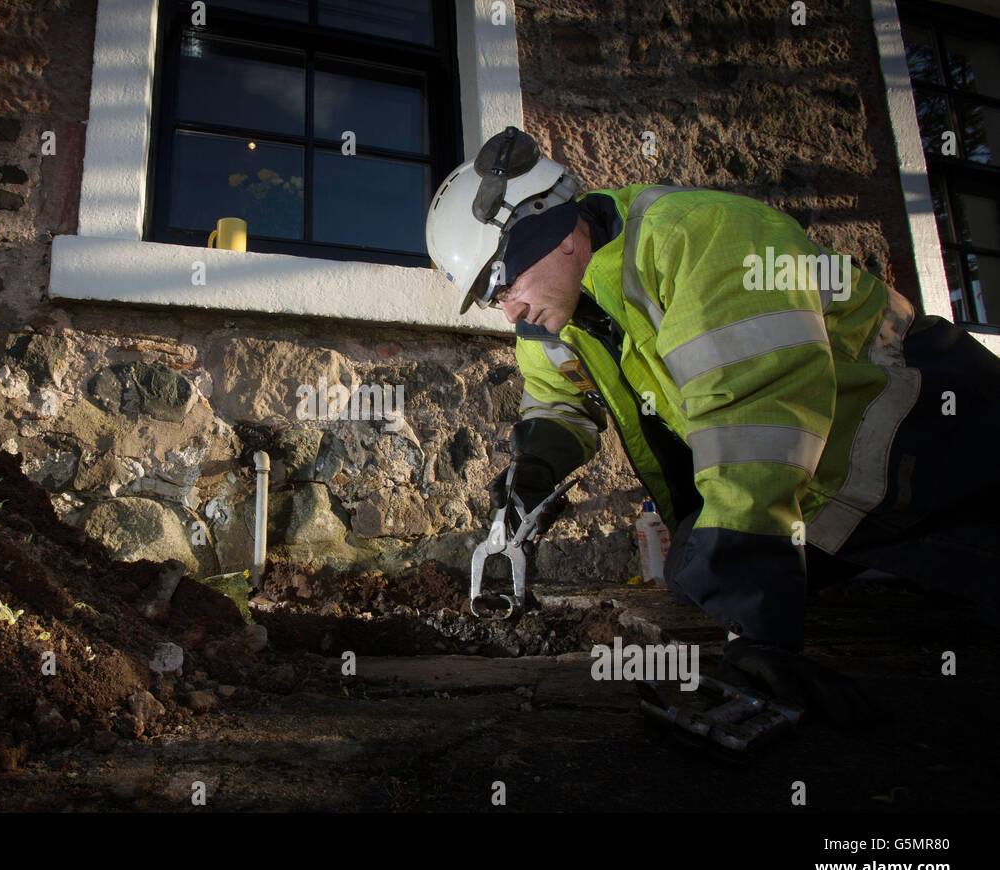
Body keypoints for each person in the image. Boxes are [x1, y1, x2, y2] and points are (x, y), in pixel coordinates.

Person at [426, 127, 1000, 725]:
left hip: (930, 433)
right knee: (695, 560)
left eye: (502, 282)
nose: (509, 310)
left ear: (558, 233)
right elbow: (556, 403)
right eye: (491, 299)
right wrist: (534, 468)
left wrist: (758, 627)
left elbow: (755, 420)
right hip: (842, 483)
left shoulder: (698, 237)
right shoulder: (551, 321)